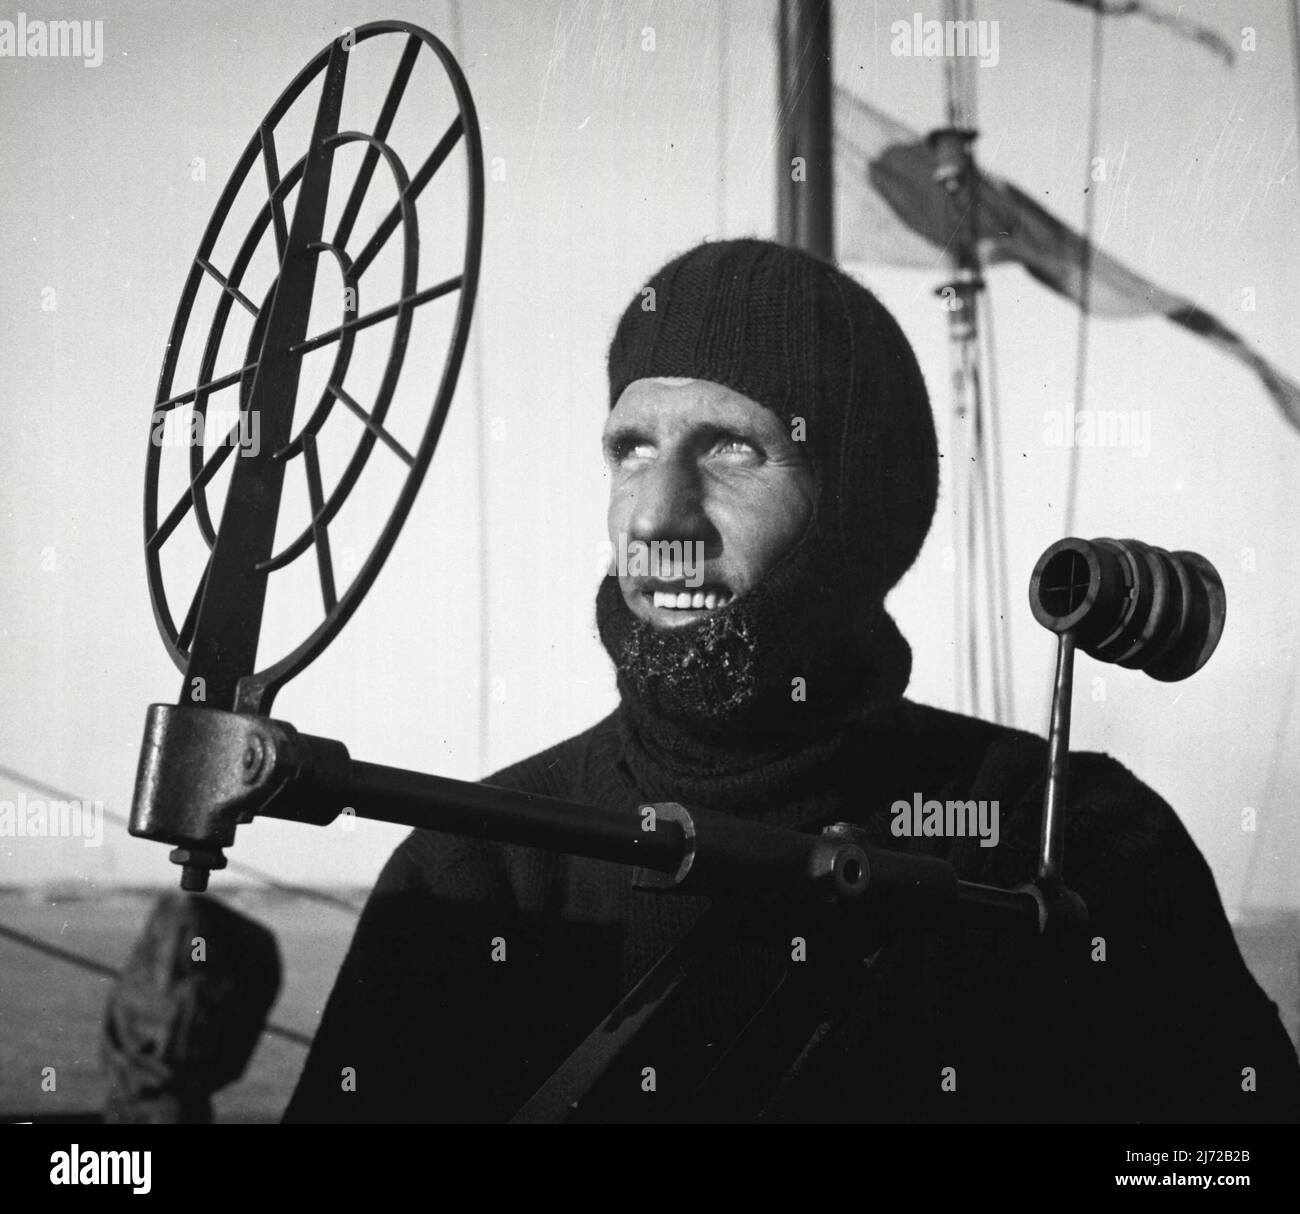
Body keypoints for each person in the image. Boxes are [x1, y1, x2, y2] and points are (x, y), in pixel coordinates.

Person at [284, 238, 1300, 1123]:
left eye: (731, 447)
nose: (657, 516)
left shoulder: (1074, 845)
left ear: (860, 503)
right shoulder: (475, 871)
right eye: (630, 449)